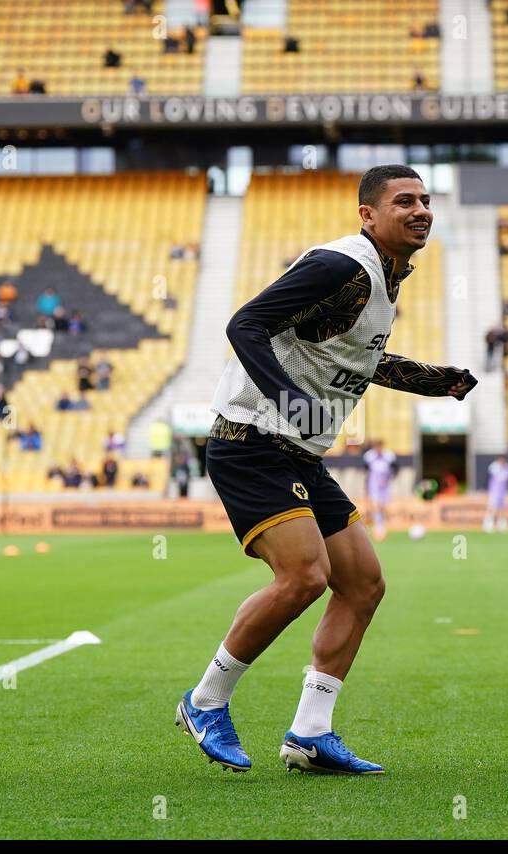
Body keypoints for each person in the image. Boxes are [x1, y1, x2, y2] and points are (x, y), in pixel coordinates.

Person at [179, 165, 476, 775]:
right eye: (403, 201)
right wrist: (290, 398)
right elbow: (245, 323)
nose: (420, 210)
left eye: (425, 200)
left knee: (363, 583)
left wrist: (432, 380)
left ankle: (310, 734)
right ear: (367, 214)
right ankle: (206, 700)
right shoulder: (342, 265)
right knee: (305, 576)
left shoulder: (384, 280)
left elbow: (355, 357)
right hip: (252, 440)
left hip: (299, 454)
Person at [362, 439, 396, 542]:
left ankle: (382, 526)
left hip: (385, 485)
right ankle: (378, 529)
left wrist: (389, 478)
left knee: (383, 506)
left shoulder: (389, 456)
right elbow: (366, 469)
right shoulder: (369, 456)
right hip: (374, 485)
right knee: (376, 505)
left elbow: (395, 468)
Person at [483, 455, 508, 533]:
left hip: (503, 491)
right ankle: (489, 524)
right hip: (494, 491)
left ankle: (501, 524)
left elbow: (506, 478)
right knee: (492, 507)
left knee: (503, 508)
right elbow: (492, 478)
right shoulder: (494, 466)